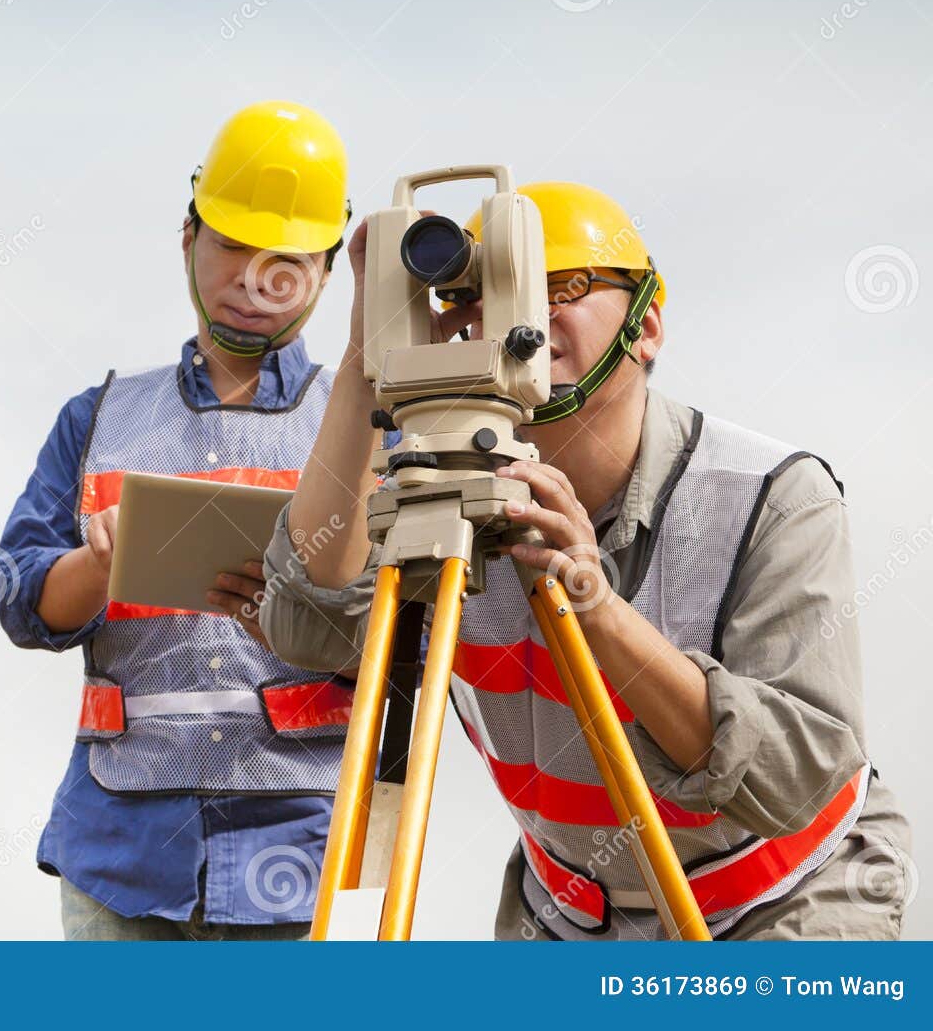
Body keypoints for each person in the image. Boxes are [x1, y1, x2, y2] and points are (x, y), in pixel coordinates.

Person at [258, 182, 914, 939]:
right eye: (472, 295)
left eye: (561, 285)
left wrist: (598, 609)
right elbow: (306, 623)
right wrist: (365, 359)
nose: (514, 312)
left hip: (778, 899)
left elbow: (802, 777)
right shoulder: (436, 497)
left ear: (649, 324)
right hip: (568, 911)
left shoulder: (772, 495)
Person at [0, 101, 382, 939]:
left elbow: (417, 639)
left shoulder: (364, 430)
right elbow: (20, 599)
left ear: (326, 270)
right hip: (122, 852)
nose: (251, 281)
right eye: (232, 246)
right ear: (187, 237)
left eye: (284, 260)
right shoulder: (99, 419)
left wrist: (305, 607)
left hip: (304, 846)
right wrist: (94, 568)